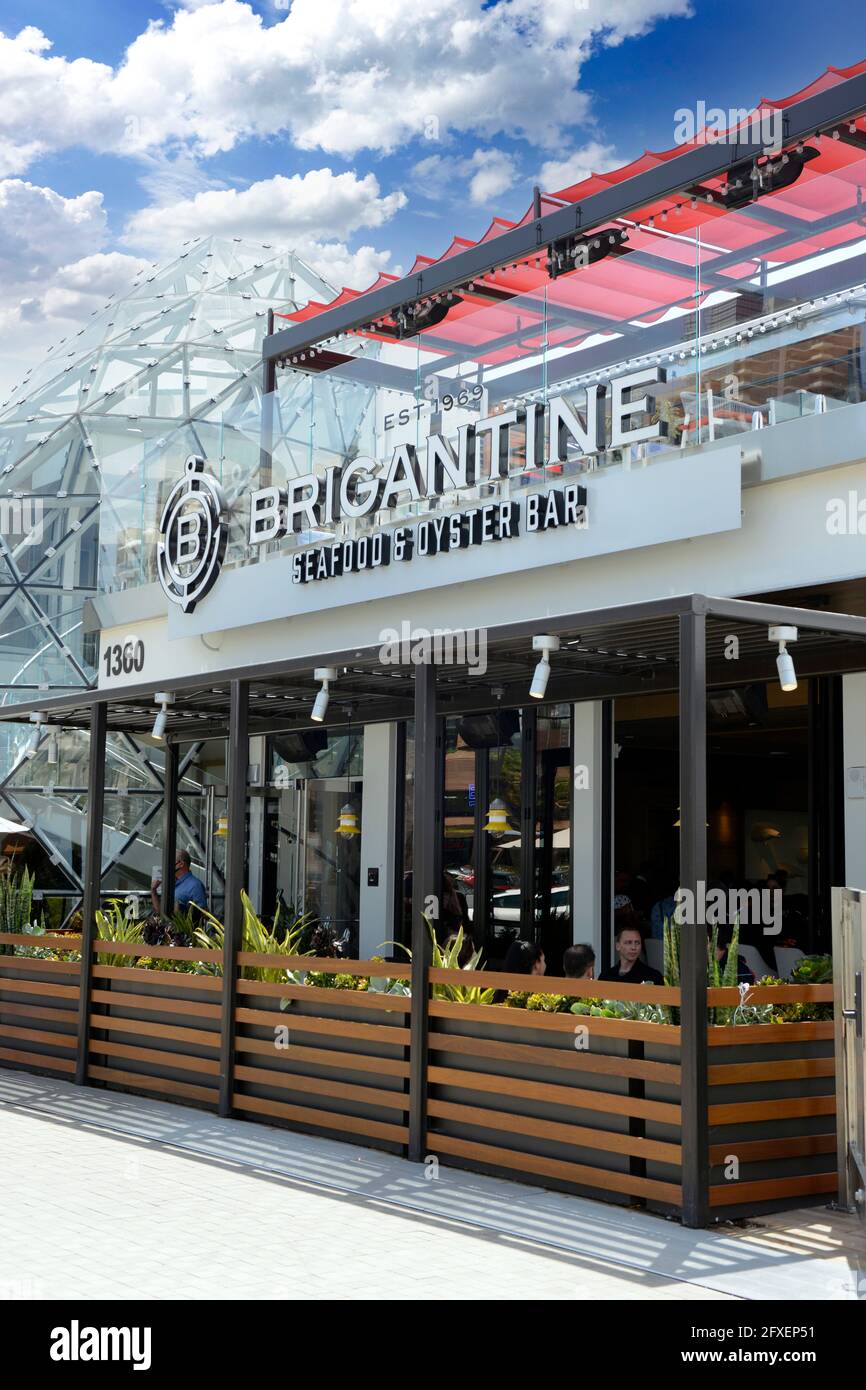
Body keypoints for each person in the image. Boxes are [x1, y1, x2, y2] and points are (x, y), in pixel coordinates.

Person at [598, 923, 663, 984]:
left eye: (637, 943)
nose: (633, 947)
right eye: (628, 942)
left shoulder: (653, 976)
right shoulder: (606, 977)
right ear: (618, 946)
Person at [151, 850, 207, 917]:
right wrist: (153, 890)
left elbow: (204, 913)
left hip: (183, 926)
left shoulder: (195, 885)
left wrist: (183, 910)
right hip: (169, 926)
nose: (167, 865)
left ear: (181, 864)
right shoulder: (170, 883)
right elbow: (160, 913)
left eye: (170, 861)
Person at [493, 939, 545, 1003]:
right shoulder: (537, 1002)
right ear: (537, 965)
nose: (545, 965)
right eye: (543, 960)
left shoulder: (501, 995)